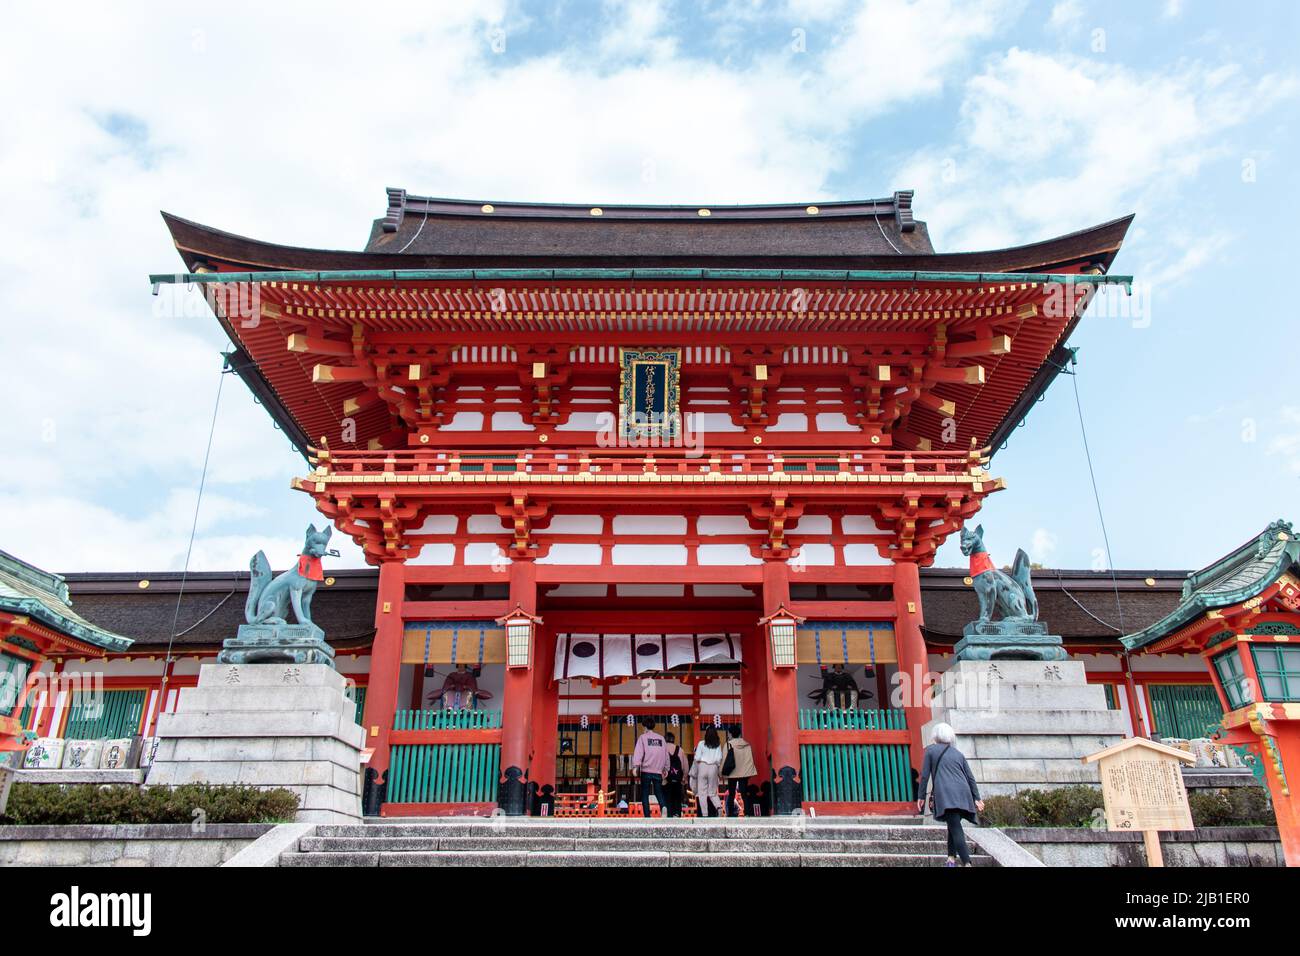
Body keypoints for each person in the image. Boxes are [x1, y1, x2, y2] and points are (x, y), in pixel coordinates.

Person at [915, 722, 984, 867]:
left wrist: (921, 796)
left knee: (955, 828)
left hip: (947, 794)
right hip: (963, 793)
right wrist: (976, 798)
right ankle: (951, 859)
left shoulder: (931, 751)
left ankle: (967, 863)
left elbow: (925, 775)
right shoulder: (958, 753)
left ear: (936, 736)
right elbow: (970, 776)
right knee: (953, 824)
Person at [630, 715, 669, 818]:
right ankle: (663, 806)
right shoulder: (661, 739)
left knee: (645, 793)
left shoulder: (643, 738)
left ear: (645, 727)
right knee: (658, 791)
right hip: (658, 771)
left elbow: (639, 752)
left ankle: (647, 816)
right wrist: (666, 768)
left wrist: (636, 766)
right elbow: (666, 754)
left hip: (646, 770)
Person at [721, 724, 757, 817]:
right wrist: (750, 771)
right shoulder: (747, 745)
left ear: (730, 734)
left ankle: (730, 813)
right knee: (744, 793)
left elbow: (724, 759)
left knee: (731, 793)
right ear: (739, 733)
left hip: (732, 772)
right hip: (744, 771)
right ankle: (748, 812)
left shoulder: (728, 745)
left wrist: (721, 772)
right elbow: (750, 759)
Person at [690, 726, 725, 817]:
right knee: (712, 792)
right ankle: (719, 807)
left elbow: (697, 758)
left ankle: (705, 814)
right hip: (713, 767)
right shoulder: (718, 745)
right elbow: (719, 758)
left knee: (702, 793)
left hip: (702, 766)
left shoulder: (701, 743)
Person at [663, 730, 688, 818]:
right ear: (673, 739)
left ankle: (668, 815)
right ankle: (677, 813)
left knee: (667, 797)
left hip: (666, 779)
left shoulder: (663, 749)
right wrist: (684, 777)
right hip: (677, 778)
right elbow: (685, 765)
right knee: (677, 797)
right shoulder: (680, 750)